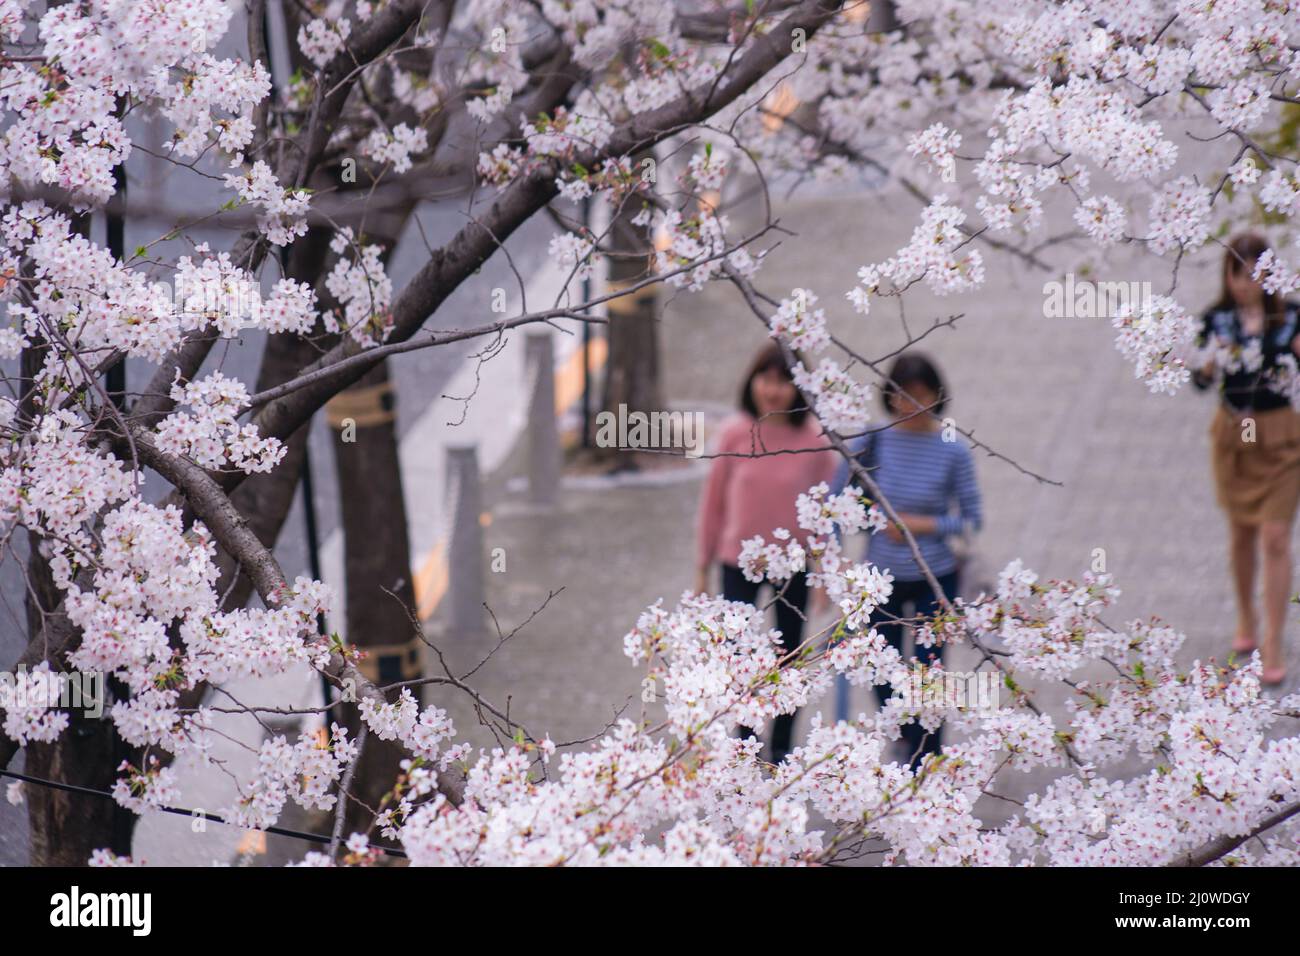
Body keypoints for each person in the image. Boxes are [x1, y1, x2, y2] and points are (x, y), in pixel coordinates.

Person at [829, 352, 982, 769]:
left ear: (937, 396)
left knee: (930, 674)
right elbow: (838, 501)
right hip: (881, 577)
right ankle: (903, 738)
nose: (910, 407)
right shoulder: (872, 439)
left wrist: (919, 524)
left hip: (936, 576)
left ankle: (926, 759)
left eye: (920, 396)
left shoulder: (952, 449)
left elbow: (971, 519)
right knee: (883, 669)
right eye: (901, 397)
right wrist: (867, 523)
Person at [695, 342, 837, 764]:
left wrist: (823, 573)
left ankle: (779, 748)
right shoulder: (735, 432)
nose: (772, 392)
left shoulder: (814, 438)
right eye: (765, 380)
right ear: (752, 382)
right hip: (737, 562)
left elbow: (824, 512)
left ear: (799, 388)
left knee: (789, 657)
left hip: (793, 567)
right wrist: (701, 567)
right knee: (739, 656)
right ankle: (744, 742)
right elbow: (713, 504)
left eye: (783, 383)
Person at [1192, 232, 1300, 687]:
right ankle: (1246, 616)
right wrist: (1205, 364)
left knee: (1275, 536)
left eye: (1255, 275)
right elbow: (1198, 380)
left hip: (1280, 437)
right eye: (1237, 274)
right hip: (1235, 435)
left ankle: (1273, 636)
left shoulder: (1292, 319)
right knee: (1241, 533)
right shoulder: (1215, 321)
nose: (1245, 284)